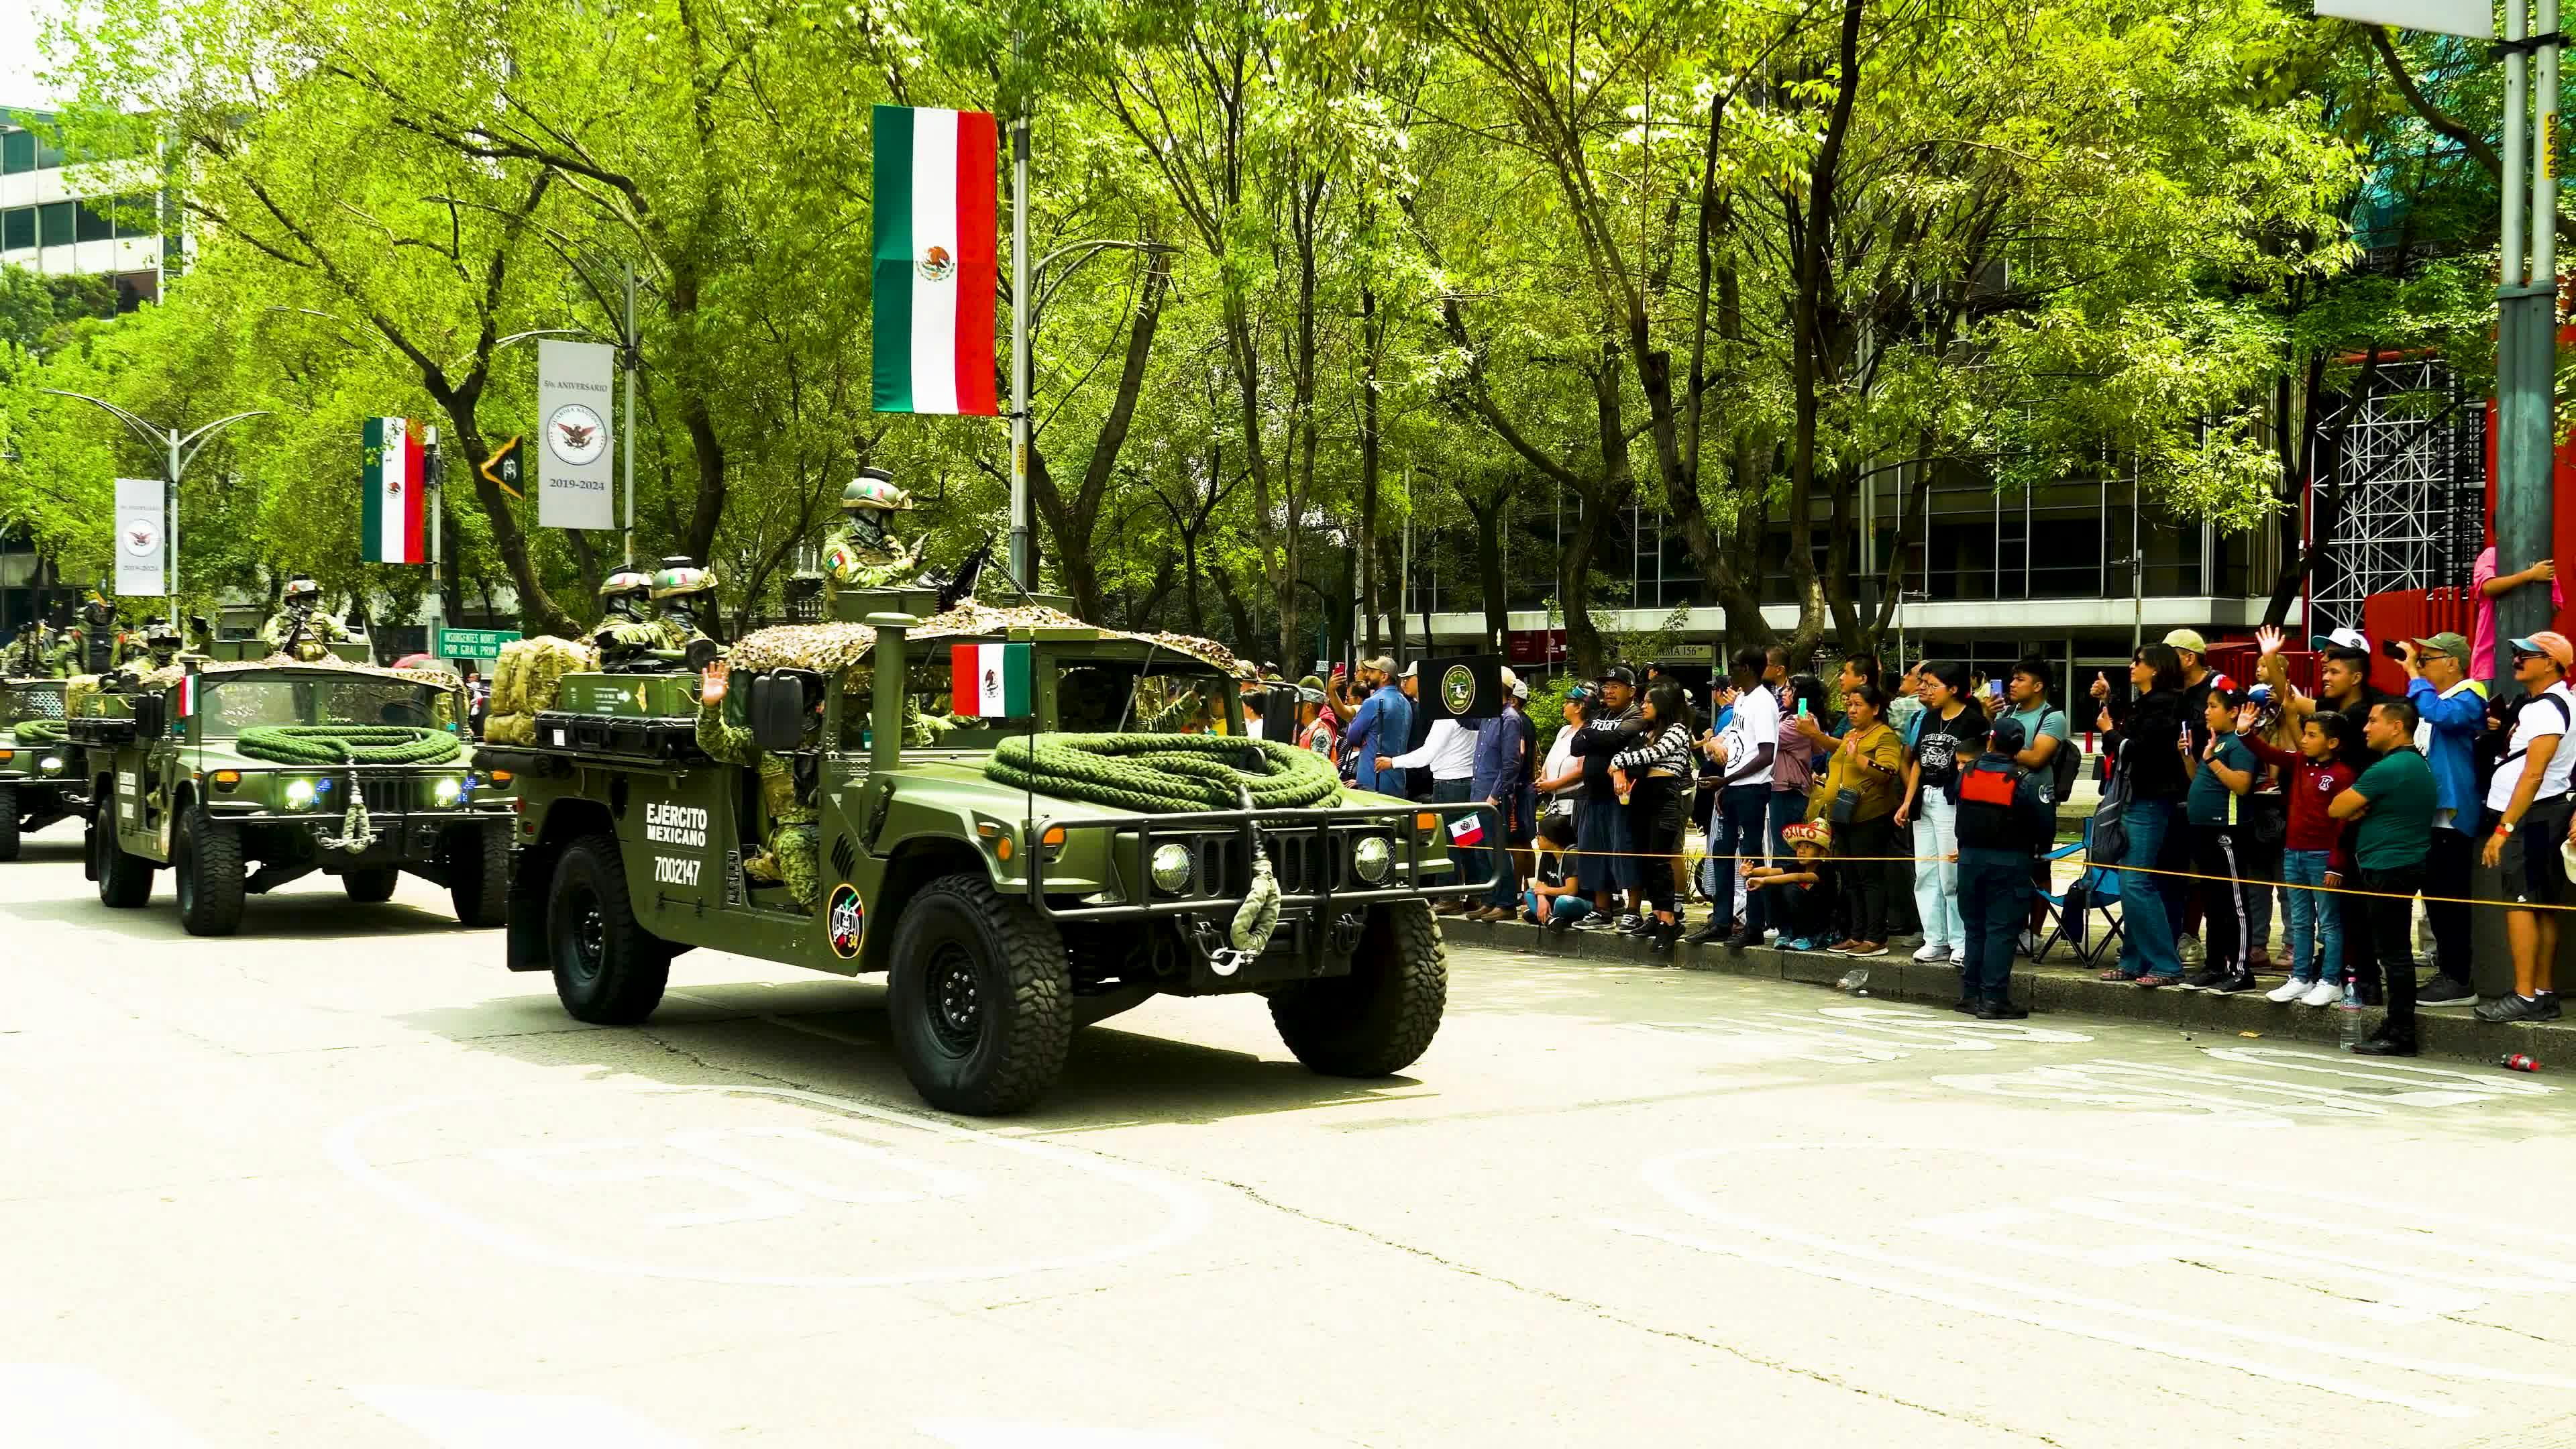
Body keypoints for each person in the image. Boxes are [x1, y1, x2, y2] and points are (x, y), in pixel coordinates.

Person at [2475, 632, 2576, 1023]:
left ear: (2550, 663)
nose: (2516, 659)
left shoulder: (2546, 709)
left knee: (2520, 904)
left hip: (2532, 816)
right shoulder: (2555, 702)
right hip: (2544, 813)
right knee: (2541, 905)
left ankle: (2525, 995)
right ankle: (2542, 993)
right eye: (2516, 653)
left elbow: (2534, 774)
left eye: (2526, 655)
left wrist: (2504, 829)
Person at [2330, 698, 2439, 1056]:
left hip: (2389, 867)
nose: (2365, 728)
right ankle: (2396, 1026)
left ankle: (2401, 1031)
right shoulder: (2415, 763)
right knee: (2394, 950)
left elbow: (2337, 807)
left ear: (2397, 727)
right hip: (2400, 863)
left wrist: (2359, 807)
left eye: (2373, 720)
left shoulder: (2390, 767)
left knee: (2394, 953)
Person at [2241, 710, 2355, 1005]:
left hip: (2323, 858)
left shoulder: (2343, 774)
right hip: (2293, 853)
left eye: (2312, 735)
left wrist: (2336, 864)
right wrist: (2245, 732)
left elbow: (2344, 825)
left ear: (2333, 742)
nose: (2304, 740)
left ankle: (2331, 981)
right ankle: (2301, 978)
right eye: (2304, 733)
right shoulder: (2300, 762)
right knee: (2301, 921)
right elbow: (2269, 753)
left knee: (2329, 922)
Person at [2098, 644, 2193, 985]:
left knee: (2136, 882)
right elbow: (2125, 743)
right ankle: (2134, 959)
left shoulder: (2166, 704)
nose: (2132, 666)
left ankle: (2166, 964)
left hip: (2151, 798)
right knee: (2133, 882)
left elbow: (2142, 750)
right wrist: (2108, 707)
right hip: (2135, 796)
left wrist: (2109, 731)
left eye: (2138, 662)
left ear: (2155, 668)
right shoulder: (2146, 703)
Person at [1948, 715, 2055, 1018]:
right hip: (2010, 861)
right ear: (2019, 748)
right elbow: (2045, 828)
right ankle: (1993, 998)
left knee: (1975, 928)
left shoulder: (1968, 773)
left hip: (1969, 859)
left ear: (1991, 742)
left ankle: (1970, 995)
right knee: (2001, 930)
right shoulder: (2025, 781)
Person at [2399, 631, 2485, 1002]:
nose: (2420, 666)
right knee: (2435, 899)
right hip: (2430, 814)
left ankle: (2458, 978)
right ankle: (2448, 971)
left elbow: (2439, 716)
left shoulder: (2469, 694)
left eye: (2427, 659)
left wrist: (2412, 675)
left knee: (2450, 901)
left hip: (2453, 814)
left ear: (2452, 662)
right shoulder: (2436, 698)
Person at [1899, 661, 1986, 965]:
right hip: (1925, 799)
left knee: (1951, 874)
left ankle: (1960, 941)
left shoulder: (1973, 721)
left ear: (1954, 689)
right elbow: (1918, 762)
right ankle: (1934, 939)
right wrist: (1907, 801)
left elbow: (1978, 764)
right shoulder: (1928, 718)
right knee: (1926, 872)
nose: (1928, 690)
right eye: (1926, 684)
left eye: (1934, 686)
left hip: (1953, 800)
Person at [1695, 647, 1779, 950]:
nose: (1729, 671)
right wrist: (1724, 784)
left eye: (1733, 666)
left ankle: (1754, 926)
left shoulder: (1763, 703)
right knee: (1721, 852)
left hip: (1753, 789)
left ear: (1747, 668)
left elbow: (1767, 755)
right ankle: (1722, 921)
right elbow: (1737, 742)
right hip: (1732, 787)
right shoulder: (1742, 699)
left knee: (1749, 857)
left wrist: (1727, 780)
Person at [2178, 686, 2259, 992]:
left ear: (2233, 712)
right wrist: (2189, 756)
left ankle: (2241, 969)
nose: (2207, 712)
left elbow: (2241, 785)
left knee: (2234, 901)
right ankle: (2214, 965)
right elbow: (2200, 780)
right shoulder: (2218, 741)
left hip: (2228, 831)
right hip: (2203, 830)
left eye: (2213, 706)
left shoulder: (2239, 744)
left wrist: (2211, 759)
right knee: (2213, 901)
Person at [1816, 684, 1904, 957]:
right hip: (1842, 817)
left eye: (1858, 705)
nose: (1852, 711)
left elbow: (1888, 772)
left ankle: (1875, 937)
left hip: (1869, 816)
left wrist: (1860, 758)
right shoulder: (1851, 733)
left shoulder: (1884, 735)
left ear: (1875, 709)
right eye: (1849, 705)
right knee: (1850, 878)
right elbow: (1838, 755)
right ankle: (1856, 934)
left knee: (1870, 877)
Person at [1608, 679, 1697, 951]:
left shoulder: (1678, 730)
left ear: (1663, 704)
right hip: (1643, 796)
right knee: (1646, 860)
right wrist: (1619, 765)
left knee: (1660, 859)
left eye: (1649, 702)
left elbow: (1652, 755)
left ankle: (1669, 921)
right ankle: (1657, 914)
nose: (1643, 706)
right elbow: (1626, 752)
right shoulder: (1648, 731)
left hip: (1665, 796)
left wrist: (1618, 763)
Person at [1571, 667, 1648, 929]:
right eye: (1606, 686)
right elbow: (1576, 746)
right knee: (1594, 852)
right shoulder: (1600, 714)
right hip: (1593, 795)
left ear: (1631, 691)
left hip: (1624, 798)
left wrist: (1593, 735)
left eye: (1616, 686)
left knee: (1625, 851)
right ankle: (1601, 910)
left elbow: (1619, 737)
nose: (1609, 691)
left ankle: (1633, 910)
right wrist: (1600, 737)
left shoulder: (1636, 715)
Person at [1464, 668, 1529, 922]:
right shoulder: (1488, 715)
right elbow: (1464, 719)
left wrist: (1496, 794)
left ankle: (1505, 902)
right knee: (1478, 849)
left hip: (1491, 797)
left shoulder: (1510, 719)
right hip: (1477, 793)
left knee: (1496, 850)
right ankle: (1489, 899)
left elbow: (1511, 764)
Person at [822, 468, 926, 595]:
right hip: (850, 609)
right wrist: (908, 564)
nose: (891, 520)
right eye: (887, 514)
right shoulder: (837, 545)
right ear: (867, 512)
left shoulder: (891, 545)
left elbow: (899, 584)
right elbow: (855, 579)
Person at [1744, 820, 1836, 951]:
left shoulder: (1826, 869)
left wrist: (1763, 880)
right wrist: (1751, 872)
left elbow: (1797, 877)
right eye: (1799, 846)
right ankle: (1786, 932)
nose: (1801, 851)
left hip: (1820, 921)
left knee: (1790, 889)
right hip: (1798, 919)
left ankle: (1813, 936)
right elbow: (1771, 871)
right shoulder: (1798, 866)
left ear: (1822, 853)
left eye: (1808, 847)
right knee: (1771, 886)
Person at [2471, 546, 2558, 681]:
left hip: (2532, 658)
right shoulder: (2492, 554)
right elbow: (2488, 587)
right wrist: (2530, 575)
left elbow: (2555, 608)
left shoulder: (2541, 562)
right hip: (2490, 657)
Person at [1344, 657, 1412, 798]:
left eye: (1372, 672)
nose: (1367, 675)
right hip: (1398, 781)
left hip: (1373, 781)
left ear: (1384, 676)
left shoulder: (1372, 702)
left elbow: (1352, 738)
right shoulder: (1406, 703)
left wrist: (1364, 736)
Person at [1523, 812, 1591, 932]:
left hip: (1577, 901)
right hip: (1555, 898)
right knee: (1529, 893)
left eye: (1539, 834)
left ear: (1552, 837)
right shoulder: (1547, 854)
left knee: (1563, 902)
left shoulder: (1571, 855)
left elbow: (1571, 891)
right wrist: (1541, 899)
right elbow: (1540, 885)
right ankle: (1551, 920)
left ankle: (1543, 917)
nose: (1536, 838)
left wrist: (1545, 891)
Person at [1397, 661, 1434, 801]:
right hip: (1413, 774)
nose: (1404, 683)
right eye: (1403, 680)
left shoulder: (1431, 708)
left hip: (1426, 777)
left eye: (1408, 679)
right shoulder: (1410, 705)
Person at [1295, 686, 1336, 761]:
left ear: (1308, 707)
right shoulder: (1309, 730)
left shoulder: (1321, 733)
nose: (1294, 708)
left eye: (1297, 705)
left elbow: (1319, 764)